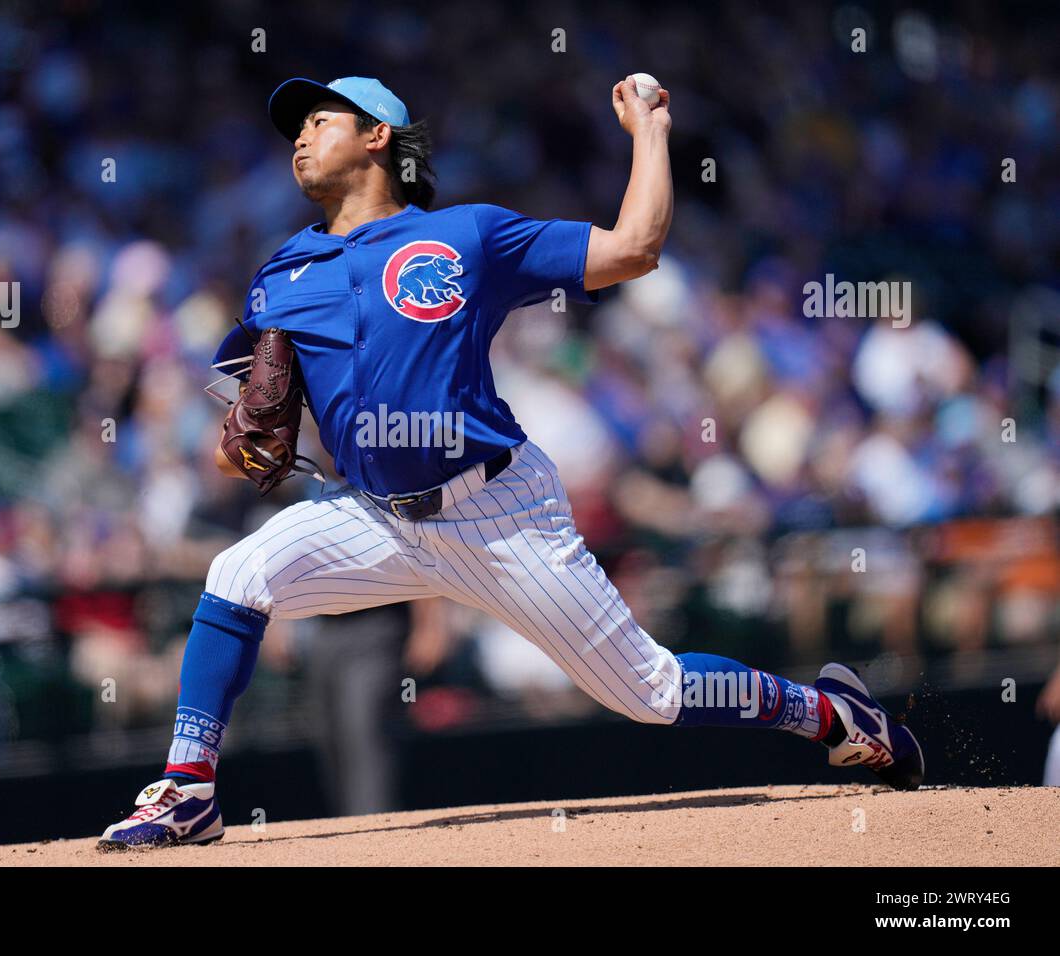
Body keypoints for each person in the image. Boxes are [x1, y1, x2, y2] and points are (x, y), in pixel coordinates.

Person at [99, 75, 924, 849]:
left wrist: (650, 132)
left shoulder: (467, 235)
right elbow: (243, 402)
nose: (300, 138)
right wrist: (238, 434)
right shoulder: (281, 272)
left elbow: (634, 249)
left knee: (654, 694)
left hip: (499, 512)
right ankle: (189, 787)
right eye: (298, 127)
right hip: (377, 515)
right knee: (237, 575)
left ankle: (831, 716)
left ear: (378, 136)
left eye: (320, 120)